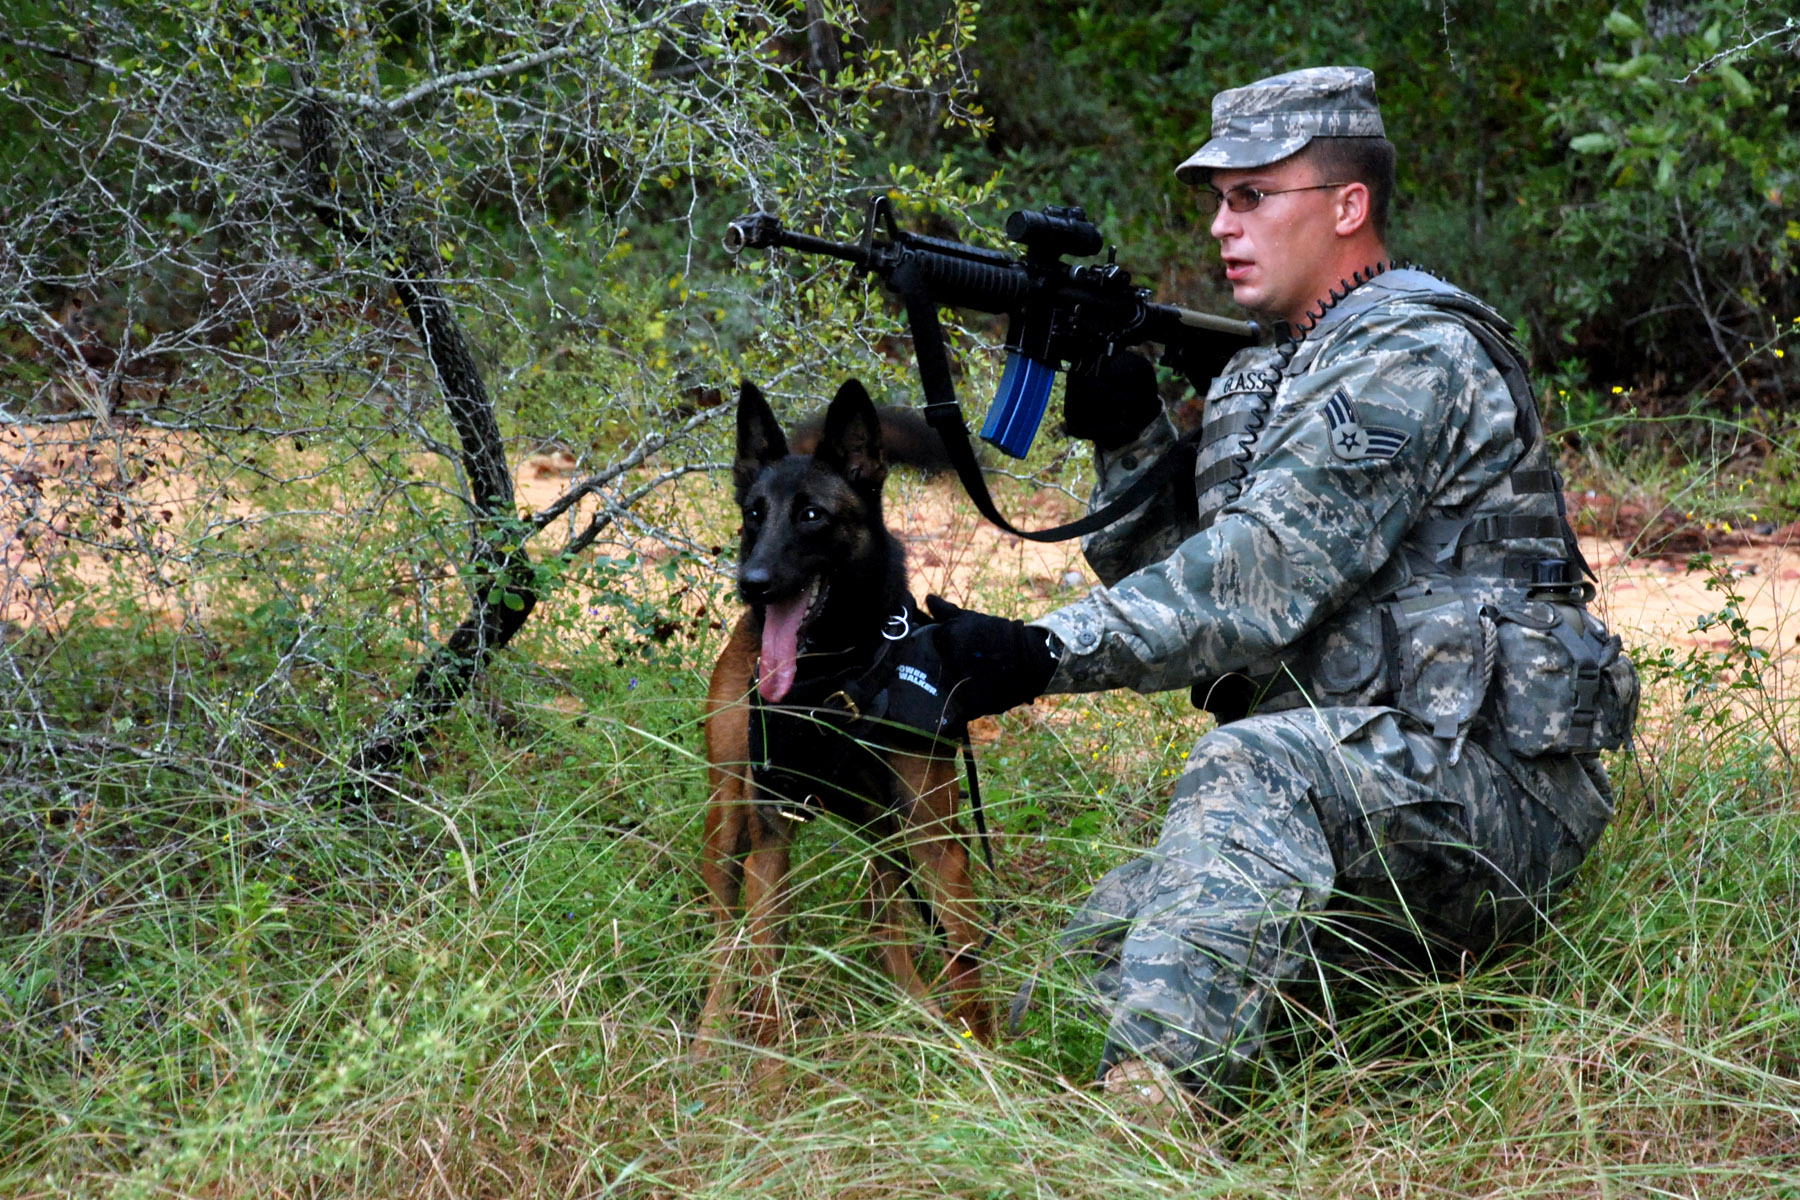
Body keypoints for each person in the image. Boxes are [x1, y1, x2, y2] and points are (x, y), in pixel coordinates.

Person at [923, 66, 1637, 1099]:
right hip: (1364, 798)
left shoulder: (1411, 353)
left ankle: (1148, 1137)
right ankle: (1394, 1034)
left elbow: (1256, 581)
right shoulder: (1276, 368)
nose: (1222, 224)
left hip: (1491, 792)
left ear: (1349, 207)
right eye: (1217, 198)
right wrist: (1130, 443)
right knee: (1083, 979)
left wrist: (1039, 651)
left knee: (1249, 769)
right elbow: (1199, 608)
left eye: (1253, 195)